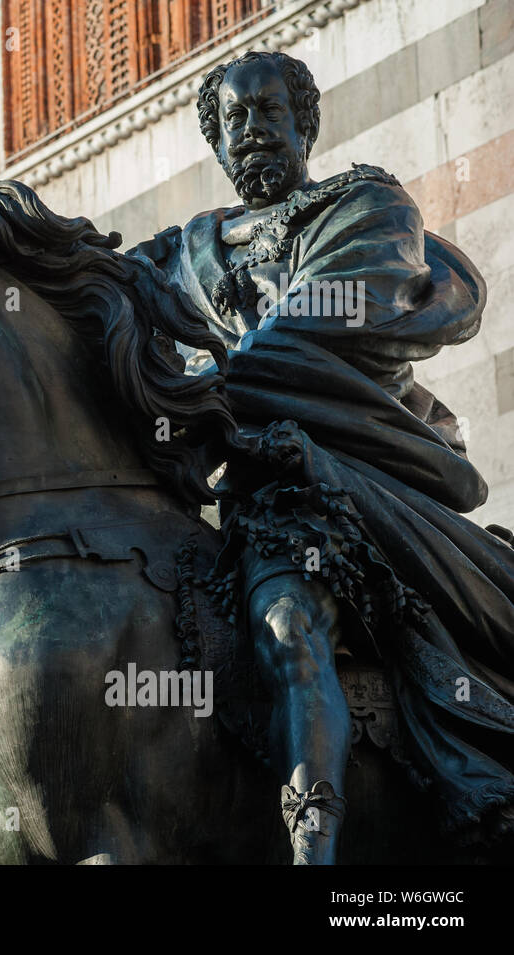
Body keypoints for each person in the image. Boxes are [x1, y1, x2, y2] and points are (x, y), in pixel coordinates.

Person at [130, 50, 514, 863]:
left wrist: (202, 391)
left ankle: (317, 850)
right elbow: (90, 302)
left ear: (305, 123)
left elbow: (310, 329)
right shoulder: (183, 253)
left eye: (270, 112)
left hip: (338, 480)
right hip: (234, 491)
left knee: (290, 620)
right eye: (235, 121)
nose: (253, 132)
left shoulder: (364, 207)